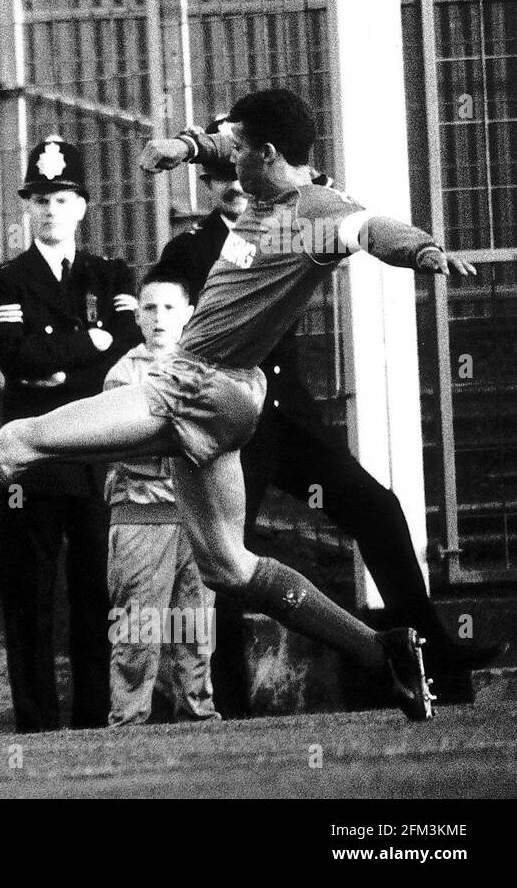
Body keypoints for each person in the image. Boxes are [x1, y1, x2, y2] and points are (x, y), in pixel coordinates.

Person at [0, 88, 479, 722]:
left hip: (191, 385)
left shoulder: (316, 214)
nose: (230, 161)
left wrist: (422, 250)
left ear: (269, 157)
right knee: (229, 568)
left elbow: (373, 228)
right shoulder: (268, 185)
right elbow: (218, 142)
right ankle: (381, 650)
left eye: (242, 151)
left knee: (17, 442)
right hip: (231, 397)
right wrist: (183, 147)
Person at [158, 119, 505, 706]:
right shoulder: (190, 249)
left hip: (281, 409)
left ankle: (427, 654)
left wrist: (421, 249)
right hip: (221, 413)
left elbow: (365, 226)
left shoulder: (302, 213)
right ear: (215, 182)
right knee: (227, 554)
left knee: (374, 506)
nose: (236, 185)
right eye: (224, 174)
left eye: (243, 164)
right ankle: (227, 704)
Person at [0, 135, 141, 731]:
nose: (51, 209)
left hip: (99, 452)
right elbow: (16, 358)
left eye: (63, 198)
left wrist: (63, 359)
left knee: (97, 590)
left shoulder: (110, 273)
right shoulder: (5, 280)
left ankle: (95, 719)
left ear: (83, 207)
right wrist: (88, 346)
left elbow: (129, 345)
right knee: (28, 595)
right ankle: (37, 724)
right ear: (27, 206)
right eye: (41, 198)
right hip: (34, 459)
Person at [104, 268, 219, 726]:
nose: (159, 318)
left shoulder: (205, 367)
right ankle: (128, 721)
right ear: (137, 315)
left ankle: (200, 714)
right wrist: (187, 438)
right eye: (149, 308)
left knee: (195, 625)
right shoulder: (123, 374)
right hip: (141, 513)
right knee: (137, 627)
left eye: (170, 308)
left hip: (198, 513)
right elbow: (129, 446)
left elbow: (223, 434)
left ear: (189, 314)